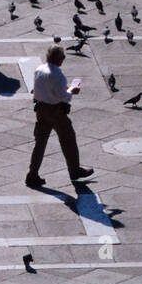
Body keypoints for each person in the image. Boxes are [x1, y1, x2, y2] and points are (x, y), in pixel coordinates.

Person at [25, 44, 94, 187]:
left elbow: (41, 88)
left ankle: (32, 174)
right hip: (55, 111)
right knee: (68, 138)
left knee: (40, 143)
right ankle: (74, 170)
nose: (63, 59)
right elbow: (64, 97)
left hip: (41, 109)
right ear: (59, 59)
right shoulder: (58, 74)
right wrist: (72, 91)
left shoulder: (39, 69)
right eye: (63, 57)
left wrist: (63, 89)